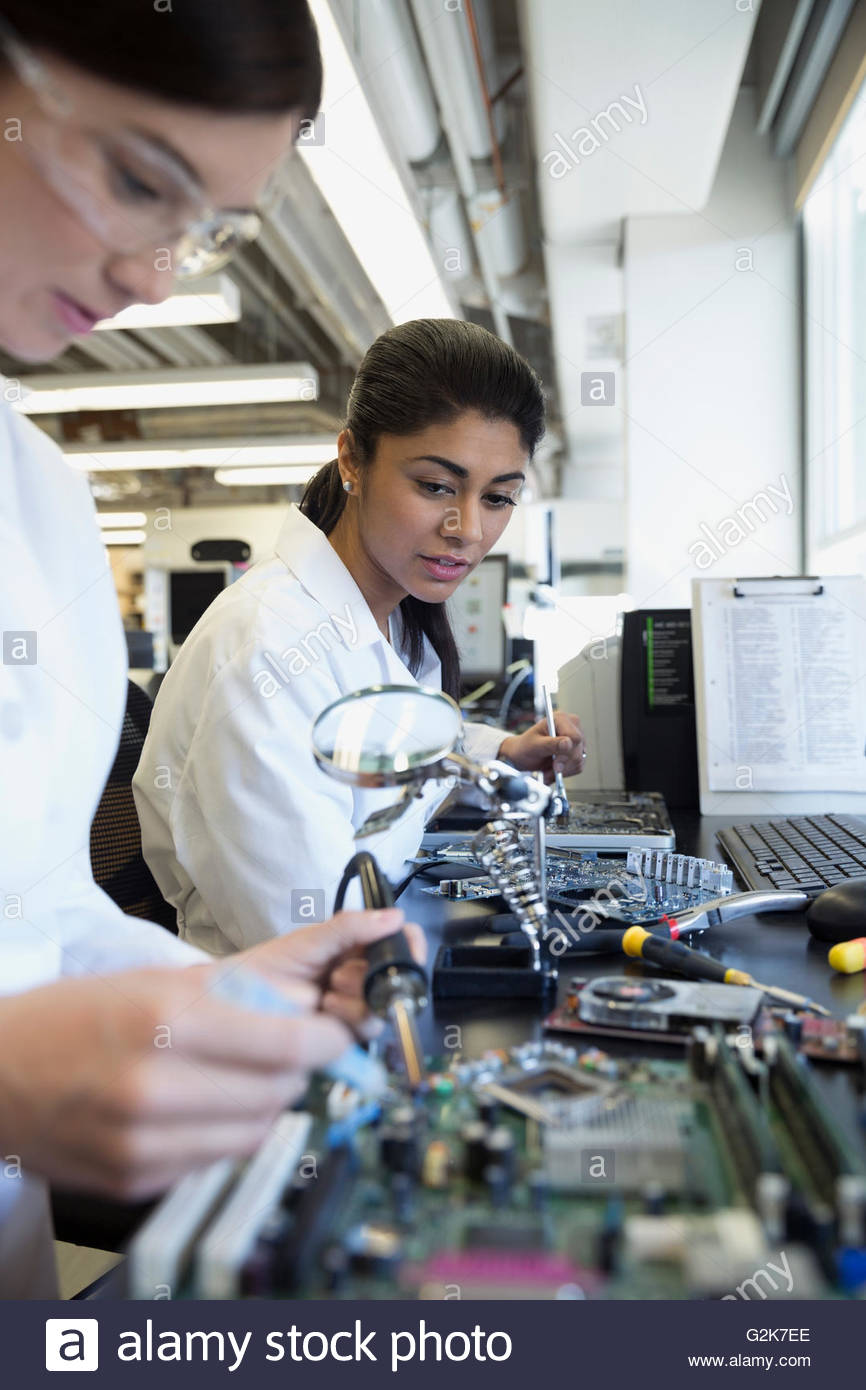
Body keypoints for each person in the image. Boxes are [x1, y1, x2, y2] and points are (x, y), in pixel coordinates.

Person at [0, 0, 423, 1298]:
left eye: (200, 225)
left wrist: (216, 999)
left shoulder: (39, 496)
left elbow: (37, 915)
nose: (152, 273)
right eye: (137, 178)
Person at [134, 318, 587, 956]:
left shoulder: (397, 621)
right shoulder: (268, 650)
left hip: (364, 963)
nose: (468, 529)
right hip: (279, 1019)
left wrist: (505, 751)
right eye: (435, 486)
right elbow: (310, 936)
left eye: (498, 498)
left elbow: (400, 744)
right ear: (352, 459)